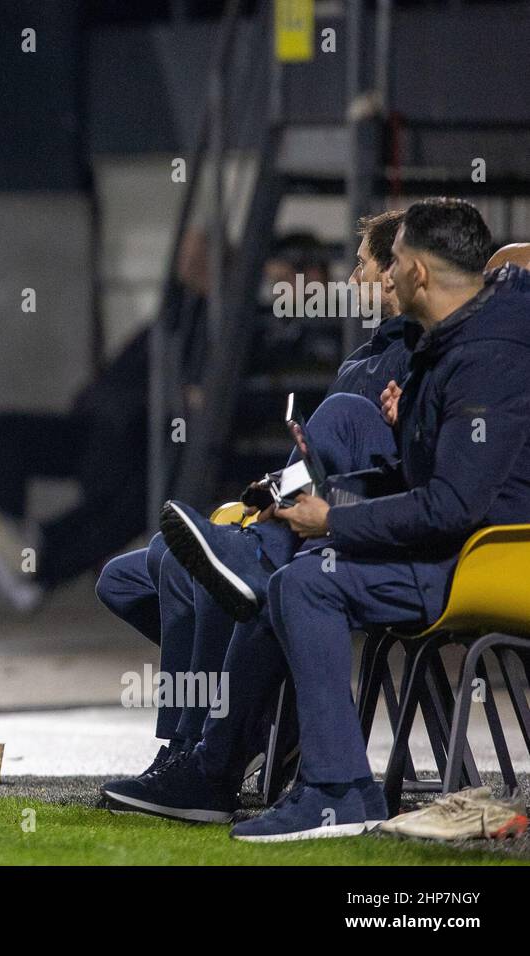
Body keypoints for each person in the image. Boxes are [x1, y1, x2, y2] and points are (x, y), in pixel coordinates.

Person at [127, 200, 530, 842]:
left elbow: (453, 506)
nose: (380, 278)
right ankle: (262, 768)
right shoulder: (452, 340)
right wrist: (405, 429)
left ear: (419, 273)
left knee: (302, 582)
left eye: (391, 262)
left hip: (484, 553)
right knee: (294, 572)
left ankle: (329, 788)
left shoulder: (486, 352)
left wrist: (335, 522)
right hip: (452, 537)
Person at [97, 211, 407, 773]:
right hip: (298, 515)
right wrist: (273, 489)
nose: (352, 279)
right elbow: (315, 457)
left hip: (340, 532)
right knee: (126, 577)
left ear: (394, 273)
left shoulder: (418, 357)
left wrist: (306, 507)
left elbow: (388, 476)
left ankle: (199, 749)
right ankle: (245, 714)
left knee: (210, 578)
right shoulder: (362, 358)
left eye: (361, 265)